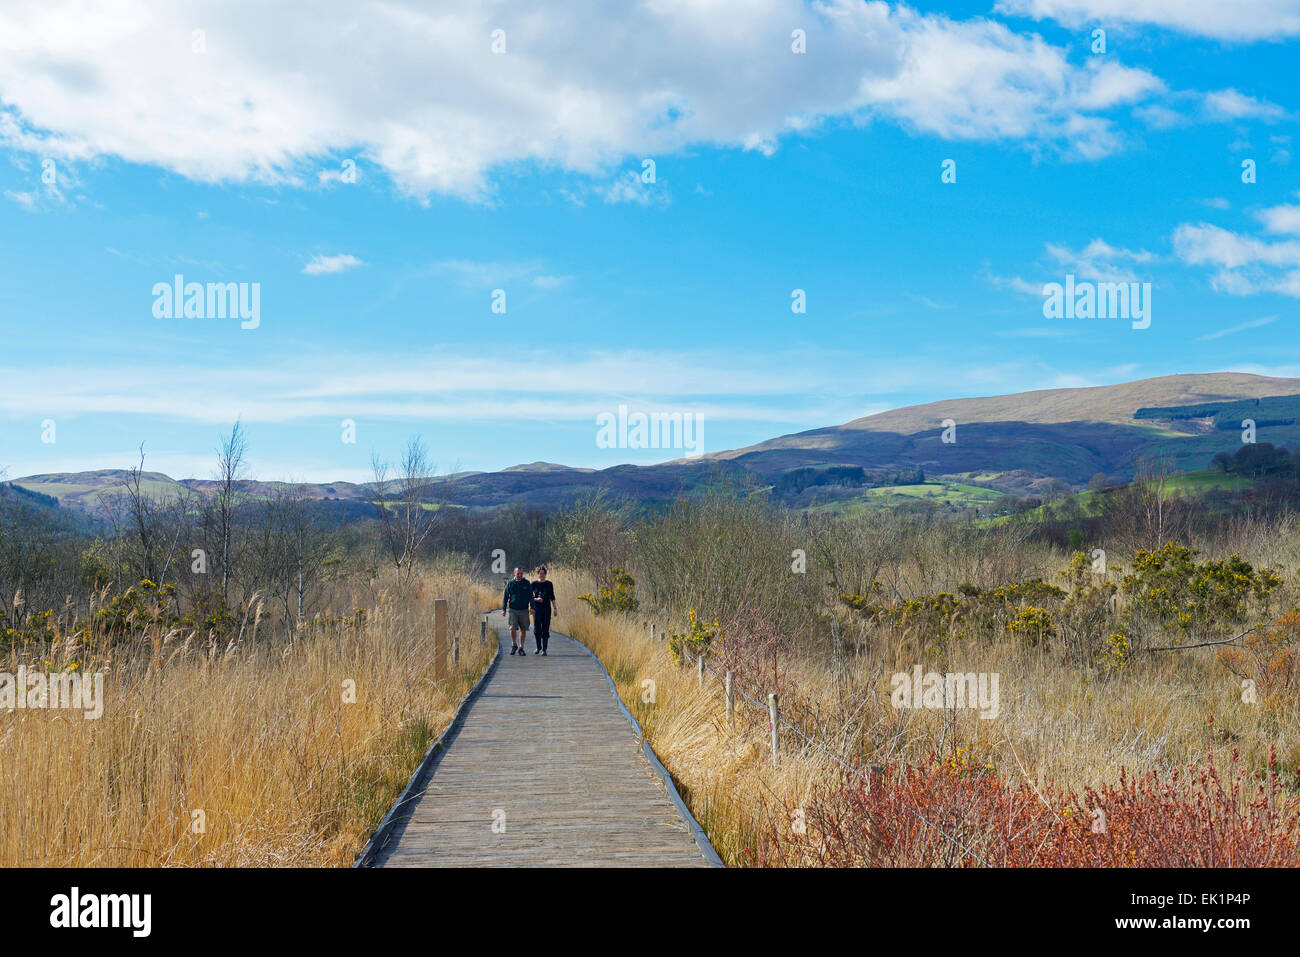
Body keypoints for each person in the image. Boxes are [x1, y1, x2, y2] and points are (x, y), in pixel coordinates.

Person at [501, 567, 533, 656]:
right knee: (512, 627)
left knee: (523, 629)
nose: (519, 575)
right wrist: (503, 609)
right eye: (518, 573)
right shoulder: (510, 583)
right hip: (513, 609)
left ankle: (521, 648)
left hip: (524, 609)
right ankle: (514, 644)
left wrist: (532, 607)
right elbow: (505, 597)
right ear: (514, 573)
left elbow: (531, 596)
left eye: (521, 574)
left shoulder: (526, 583)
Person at [531, 566, 558, 656]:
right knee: (537, 629)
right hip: (536, 610)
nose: (541, 575)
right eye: (540, 573)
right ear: (538, 574)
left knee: (545, 629)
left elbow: (552, 597)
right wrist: (536, 599)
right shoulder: (534, 584)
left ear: (545, 575)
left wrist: (555, 608)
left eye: (543, 573)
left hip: (546, 609)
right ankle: (538, 647)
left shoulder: (549, 584)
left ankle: (544, 649)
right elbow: (529, 597)